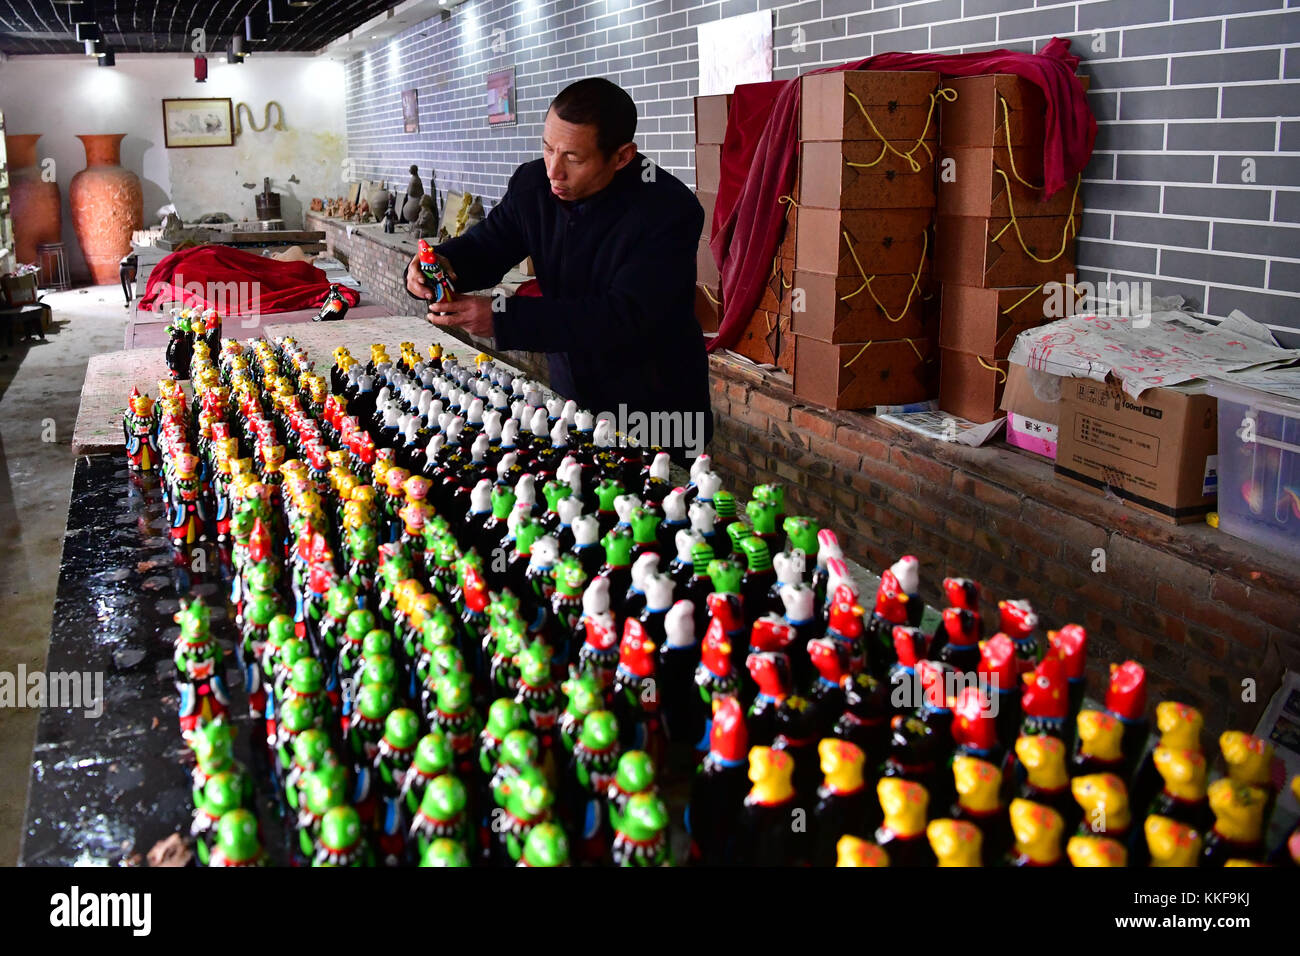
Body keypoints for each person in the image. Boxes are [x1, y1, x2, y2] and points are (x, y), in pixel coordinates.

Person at [404, 77, 713, 461]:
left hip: (655, 408)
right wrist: (438, 264)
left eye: (574, 158)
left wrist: (504, 319)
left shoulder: (667, 210)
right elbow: (488, 245)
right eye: (548, 148)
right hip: (575, 393)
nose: (554, 170)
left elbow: (625, 316)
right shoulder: (534, 184)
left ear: (622, 156)